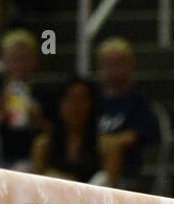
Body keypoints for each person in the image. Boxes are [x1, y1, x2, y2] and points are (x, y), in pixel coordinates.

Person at [0, 28, 47, 170]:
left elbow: (56, 134)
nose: (19, 64)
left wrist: (39, 120)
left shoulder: (44, 94)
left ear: (34, 61)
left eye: (24, 58)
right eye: (14, 58)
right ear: (4, 61)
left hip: (33, 161)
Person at [94, 36, 160, 185]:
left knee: (114, 148)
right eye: (108, 64)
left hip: (127, 166)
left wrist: (112, 142)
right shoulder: (92, 100)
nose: (113, 69)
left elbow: (141, 134)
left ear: (131, 65)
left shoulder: (138, 101)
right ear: (99, 67)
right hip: (91, 159)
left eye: (118, 63)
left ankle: (103, 185)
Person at [29, 77, 102, 182]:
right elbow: (35, 183)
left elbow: (109, 183)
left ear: (91, 104)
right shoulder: (44, 144)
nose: (76, 107)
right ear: (60, 104)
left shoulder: (104, 145)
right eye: (70, 100)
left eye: (82, 100)